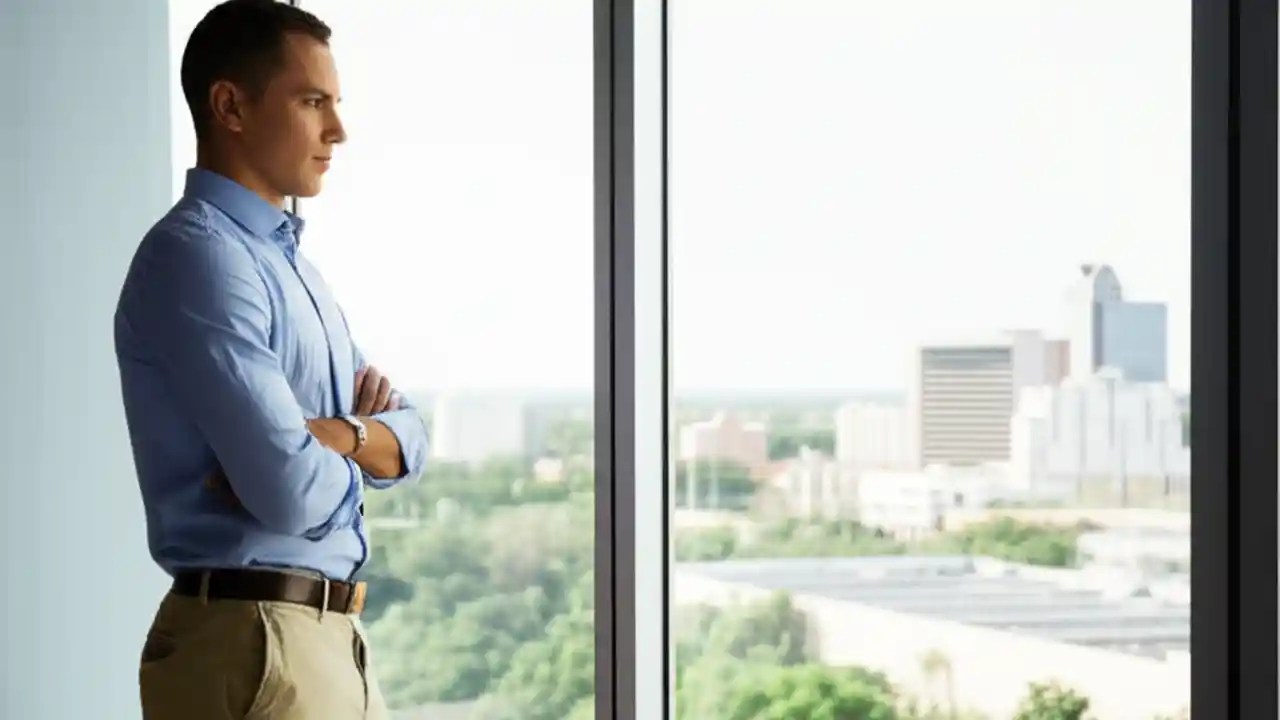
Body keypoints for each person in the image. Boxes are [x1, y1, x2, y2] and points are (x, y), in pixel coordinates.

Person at [113, 1, 428, 717]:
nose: (338, 129)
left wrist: (334, 436)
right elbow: (288, 490)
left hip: (322, 642)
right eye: (312, 102)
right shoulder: (198, 258)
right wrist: (356, 448)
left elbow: (411, 436)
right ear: (230, 106)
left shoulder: (290, 269)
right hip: (257, 644)